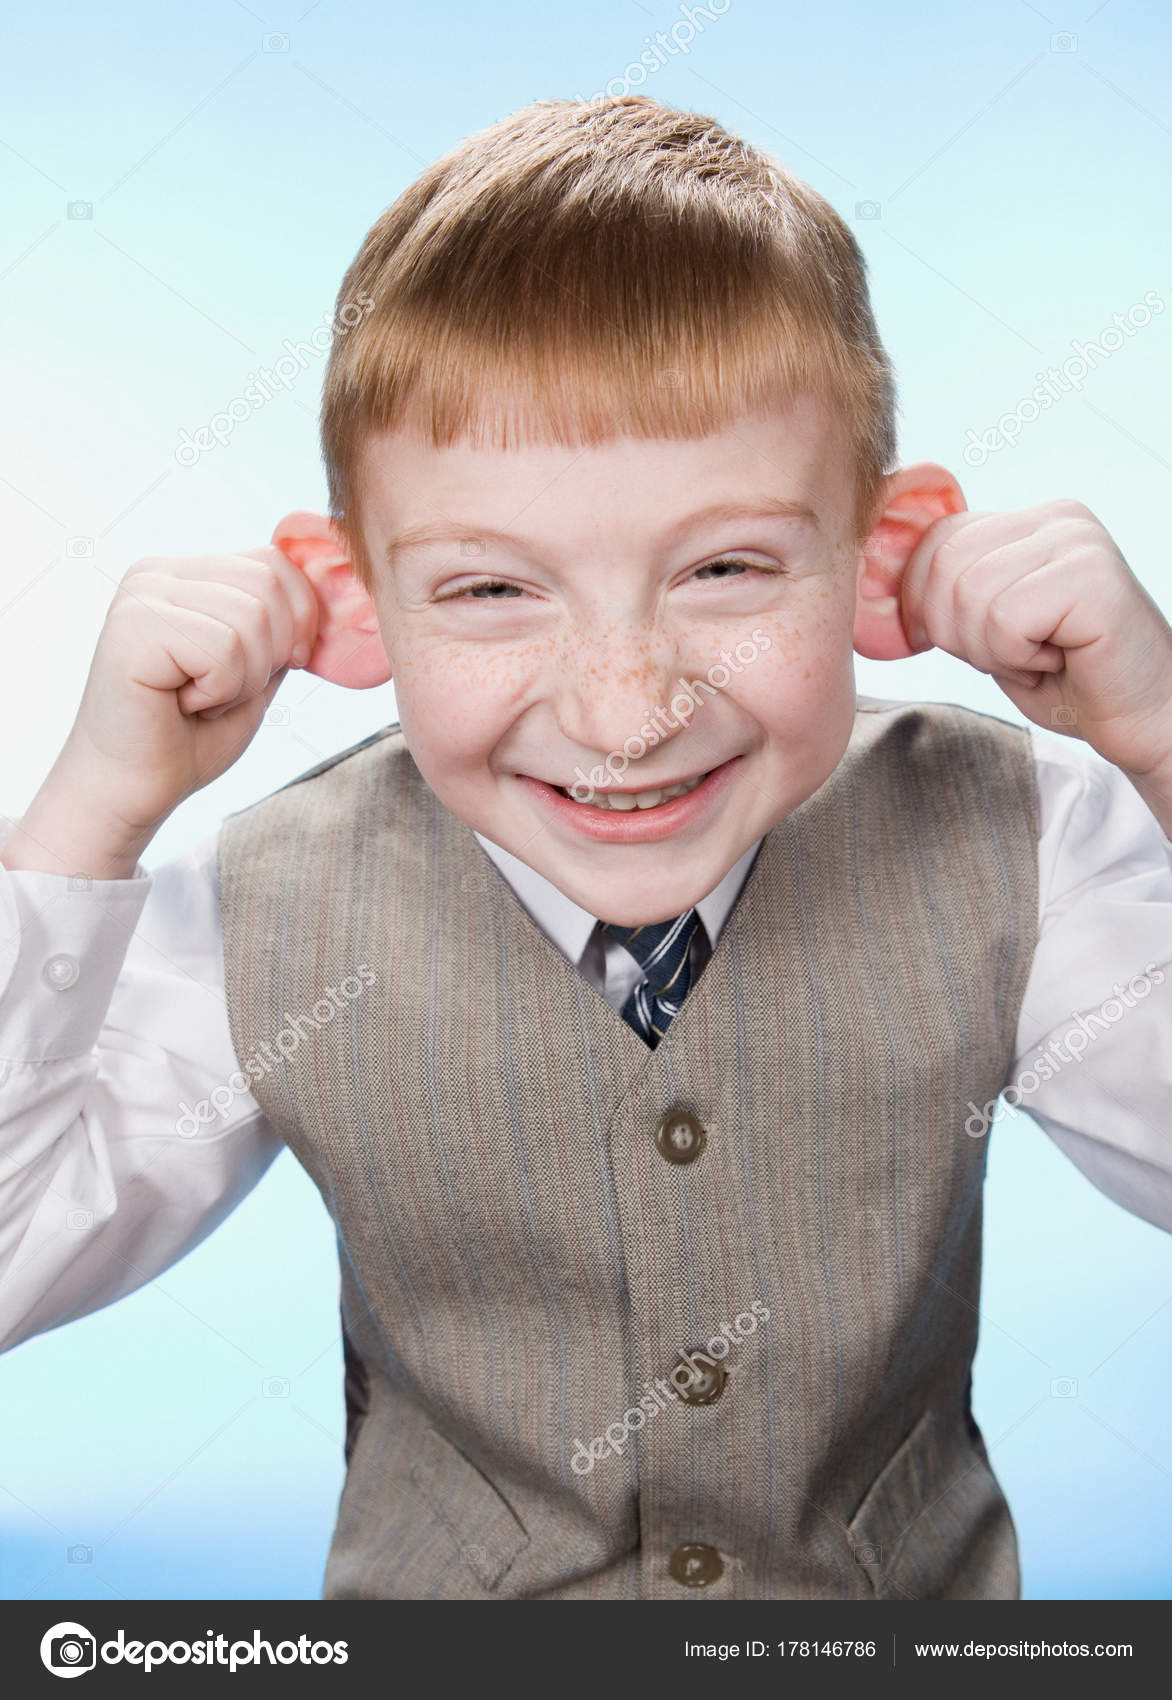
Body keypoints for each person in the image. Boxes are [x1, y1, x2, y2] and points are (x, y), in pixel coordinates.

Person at [2, 95, 1170, 1600]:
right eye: (493, 591)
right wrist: (90, 812)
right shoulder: (269, 910)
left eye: (728, 568)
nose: (627, 715)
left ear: (882, 562)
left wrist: (1156, 734)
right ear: (353, 606)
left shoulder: (1019, 843)